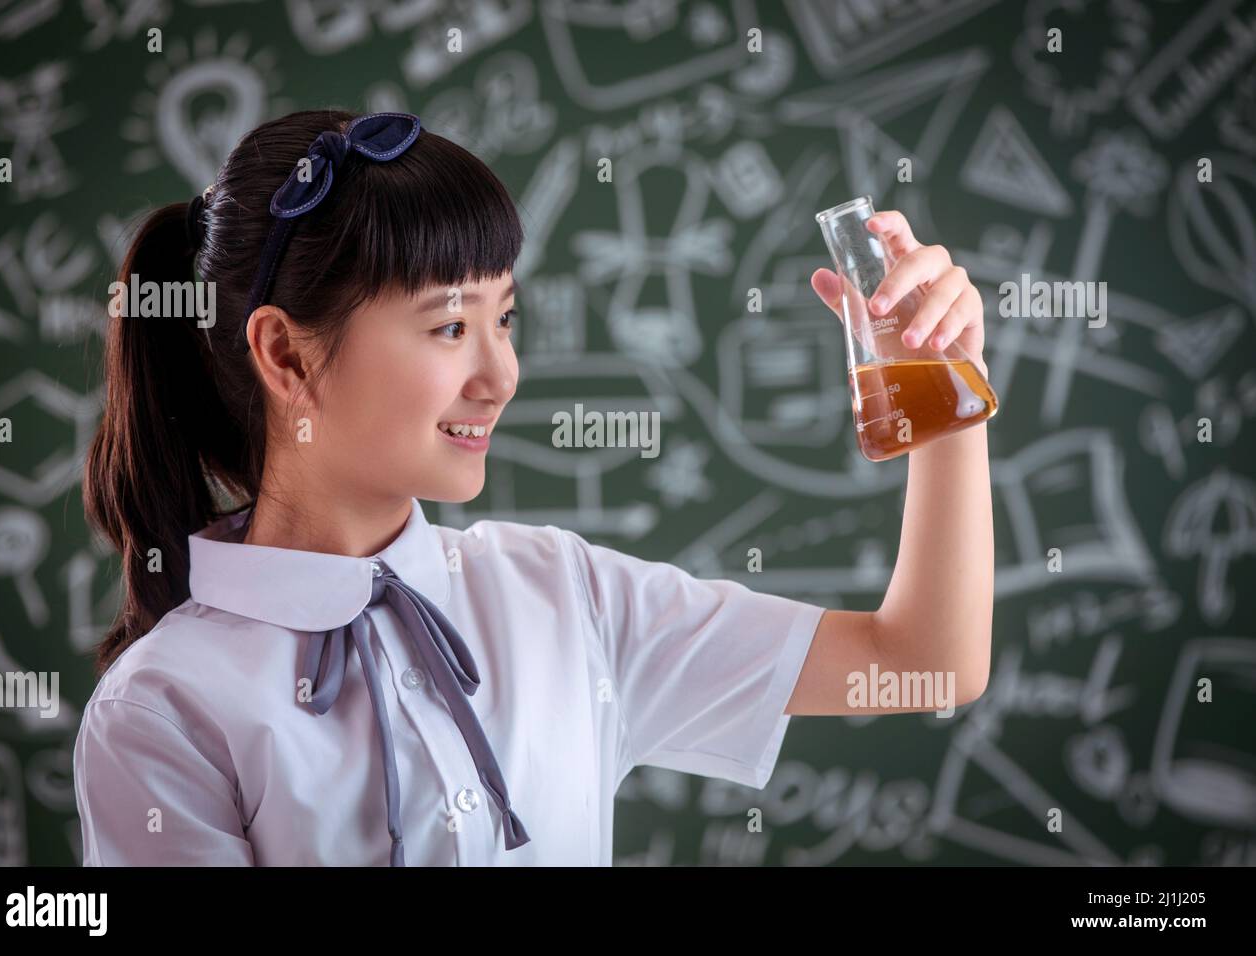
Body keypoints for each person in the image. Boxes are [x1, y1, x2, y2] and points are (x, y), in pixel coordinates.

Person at [74, 109, 994, 866]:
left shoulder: (562, 593)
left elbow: (924, 660)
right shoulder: (164, 709)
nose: (499, 374)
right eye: (447, 327)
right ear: (283, 352)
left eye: (503, 316)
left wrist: (948, 391)